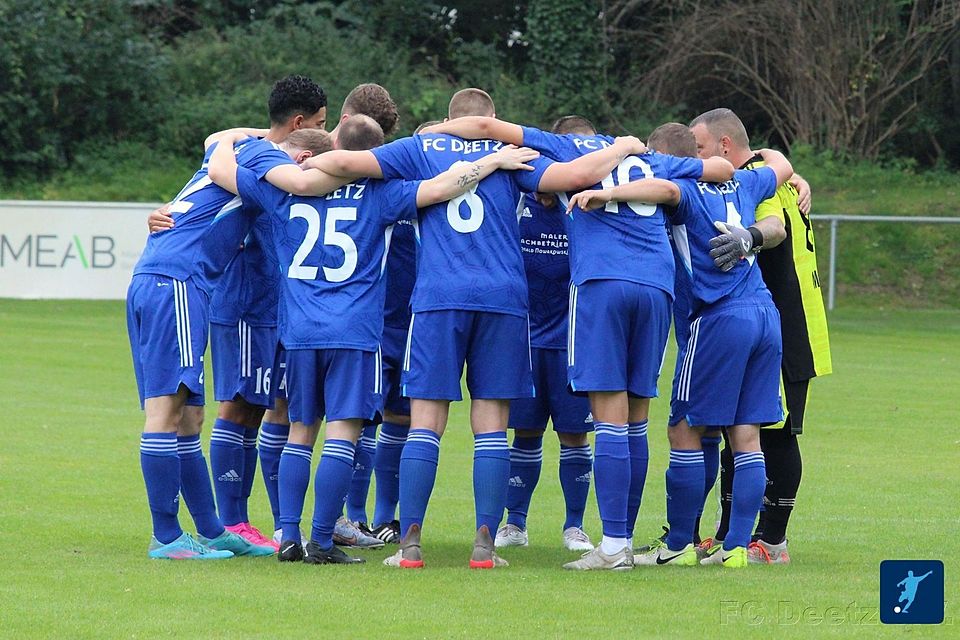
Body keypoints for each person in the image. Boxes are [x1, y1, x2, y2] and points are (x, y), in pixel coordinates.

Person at [303, 87, 647, 569]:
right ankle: (484, 547)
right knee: (491, 426)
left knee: (426, 423)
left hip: (439, 298)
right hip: (504, 300)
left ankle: (411, 547)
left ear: (448, 119)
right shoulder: (514, 155)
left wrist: (295, 169)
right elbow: (580, 174)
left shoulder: (421, 148)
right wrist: (624, 146)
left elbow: (344, 164)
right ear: (492, 119)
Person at [206, 114, 543, 564]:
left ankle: (288, 533)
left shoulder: (281, 187)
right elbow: (444, 186)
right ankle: (323, 540)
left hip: (300, 330)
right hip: (355, 331)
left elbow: (220, 171)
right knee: (343, 435)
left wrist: (228, 136)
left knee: (300, 433)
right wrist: (493, 161)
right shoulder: (380, 194)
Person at [422, 113, 734, 571]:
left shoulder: (567, 148)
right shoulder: (653, 159)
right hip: (656, 287)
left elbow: (489, 129)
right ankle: (622, 538)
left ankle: (612, 547)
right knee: (637, 418)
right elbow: (723, 170)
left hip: (603, 284)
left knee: (608, 416)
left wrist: (435, 133)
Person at [567, 122, 793, 568]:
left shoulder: (686, 188)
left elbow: (664, 191)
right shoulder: (744, 180)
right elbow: (782, 165)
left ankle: (678, 547)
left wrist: (607, 194)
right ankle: (734, 551)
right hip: (765, 314)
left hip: (716, 318)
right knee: (746, 437)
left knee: (683, 430)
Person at [127, 119, 329, 560]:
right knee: (166, 412)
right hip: (176, 283)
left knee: (189, 419)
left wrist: (239, 134)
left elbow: (215, 142)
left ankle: (212, 530)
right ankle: (166, 538)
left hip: (173, 283)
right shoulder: (264, 163)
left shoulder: (239, 151)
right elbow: (288, 176)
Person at [688, 108, 832, 564]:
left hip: (788, 326)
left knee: (777, 434)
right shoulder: (770, 172)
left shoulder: (756, 178)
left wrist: (749, 236)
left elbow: (776, 228)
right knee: (741, 428)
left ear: (725, 147)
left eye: (700, 149)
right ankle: (733, 533)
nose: (698, 159)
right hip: (768, 322)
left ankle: (772, 541)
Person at [494, 115, 598, 554]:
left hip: (575, 339)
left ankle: (574, 525)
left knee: (576, 435)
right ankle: (514, 522)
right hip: (524, 340)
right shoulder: (514, 201)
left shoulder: (592, 208)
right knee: (525, 432)